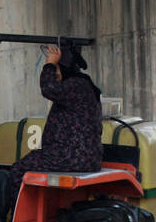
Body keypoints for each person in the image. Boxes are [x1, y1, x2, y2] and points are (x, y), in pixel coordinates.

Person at [6, 43, 105, 209]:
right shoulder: (78, 86)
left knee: (19, 170)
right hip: (72, 155)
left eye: (56, 69)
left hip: (70, 156)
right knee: (29, 162)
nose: (53, 74)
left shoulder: (76, 85)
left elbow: (49, 88)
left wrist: (50, 64)